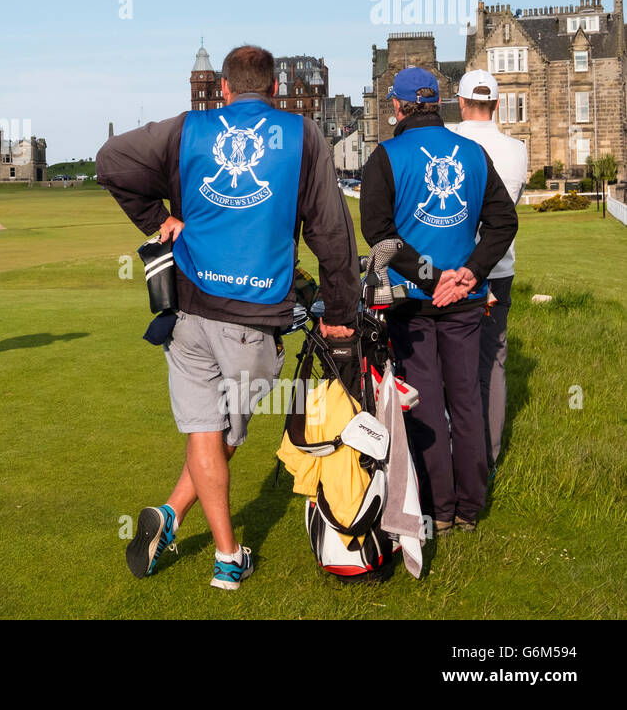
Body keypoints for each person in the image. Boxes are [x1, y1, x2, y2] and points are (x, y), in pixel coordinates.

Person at [97, 45, 361, 590]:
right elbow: (330, 231)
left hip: (187, 310)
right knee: (223, 435)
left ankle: (179, 522)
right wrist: (341, 310)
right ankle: (224, 557)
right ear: (274, 89)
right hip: (253, 317)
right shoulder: (303, 135)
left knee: (204, 431)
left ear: (223, 88)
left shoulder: (185, 129)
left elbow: (111, 161)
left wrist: (159, 219)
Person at [360, 67, 517, 534]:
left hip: (412, 300)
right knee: (467, 399)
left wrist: (433, 278)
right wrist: (467, 274)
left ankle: (439, 512)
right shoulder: (473, 152)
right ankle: (471, 508)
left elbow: (378, 236)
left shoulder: (384, 156)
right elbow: (502, 223)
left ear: (397, 106)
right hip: (466, 300)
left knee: (425, 403)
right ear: (438, 103)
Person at [448, 69, 527, 477]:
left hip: (452, 271)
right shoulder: (517, 149)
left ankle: (453, 458)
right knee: (492, 363)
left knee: (450, 363)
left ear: (460, 102)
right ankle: (487, 460)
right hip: (499, 268)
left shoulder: (450, 143)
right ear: (497, 104)